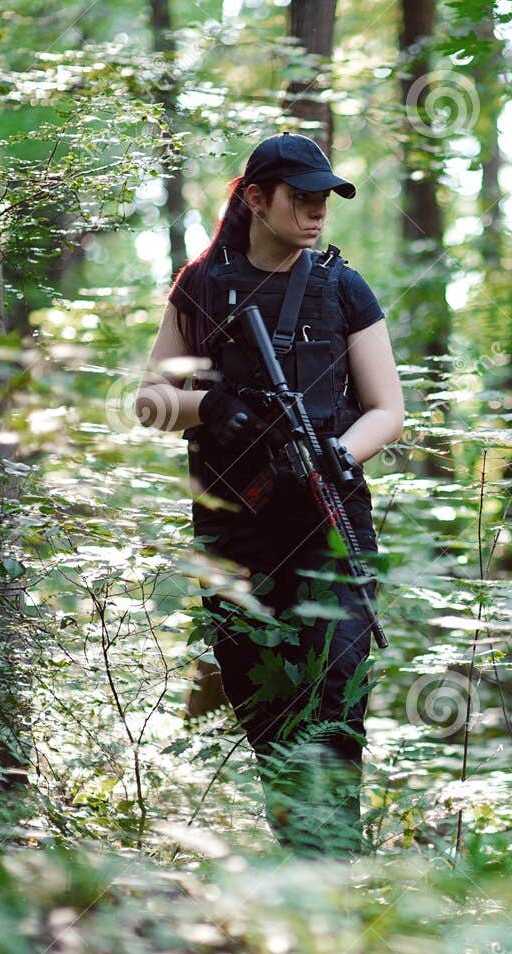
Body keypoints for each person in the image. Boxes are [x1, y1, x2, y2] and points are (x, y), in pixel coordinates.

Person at [136, 133, 404, 856]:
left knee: (337, 684)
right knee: (264, 699)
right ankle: (299, 864)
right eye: (301, 197)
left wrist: (339, 452)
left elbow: (388, 410)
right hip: (236, 529)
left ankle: (336, 865)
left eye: (324, 200)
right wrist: (214, 408)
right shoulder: (201, 285)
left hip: (328, 519)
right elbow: (150, 402)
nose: (317, 211)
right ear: (256, 198)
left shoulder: (343, 288)